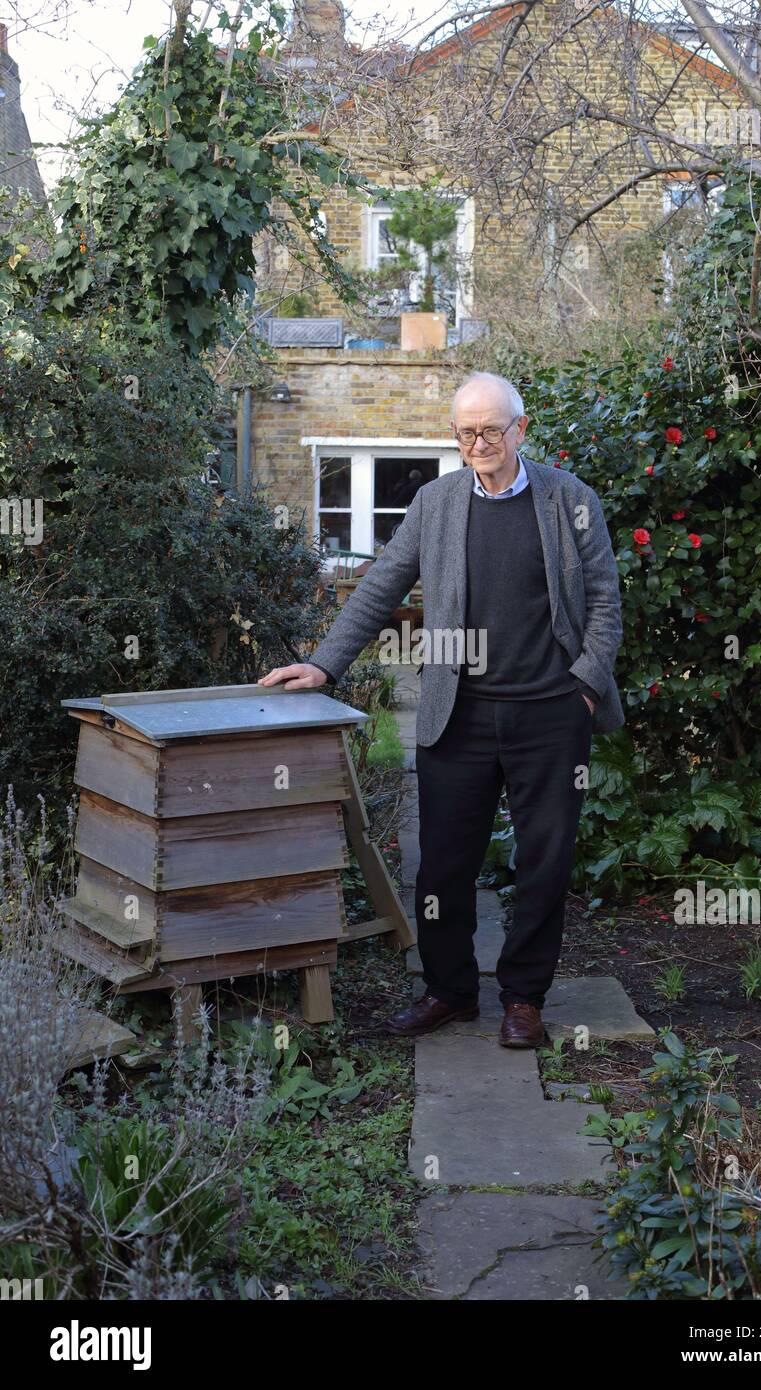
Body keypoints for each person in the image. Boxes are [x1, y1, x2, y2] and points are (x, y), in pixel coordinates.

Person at [260, 371, 624, 1047]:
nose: (477, 442)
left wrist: (583, 685)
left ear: (521, 428)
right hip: (458, 710)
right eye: (464, 432)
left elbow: (605, 600)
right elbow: (380, 587)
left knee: (545, 860)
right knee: (443, 862)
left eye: (490, 429)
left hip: (549, 711)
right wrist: (325, 661)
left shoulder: (570, 500)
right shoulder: (436, 503)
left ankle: (523, 999)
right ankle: (450, 991)